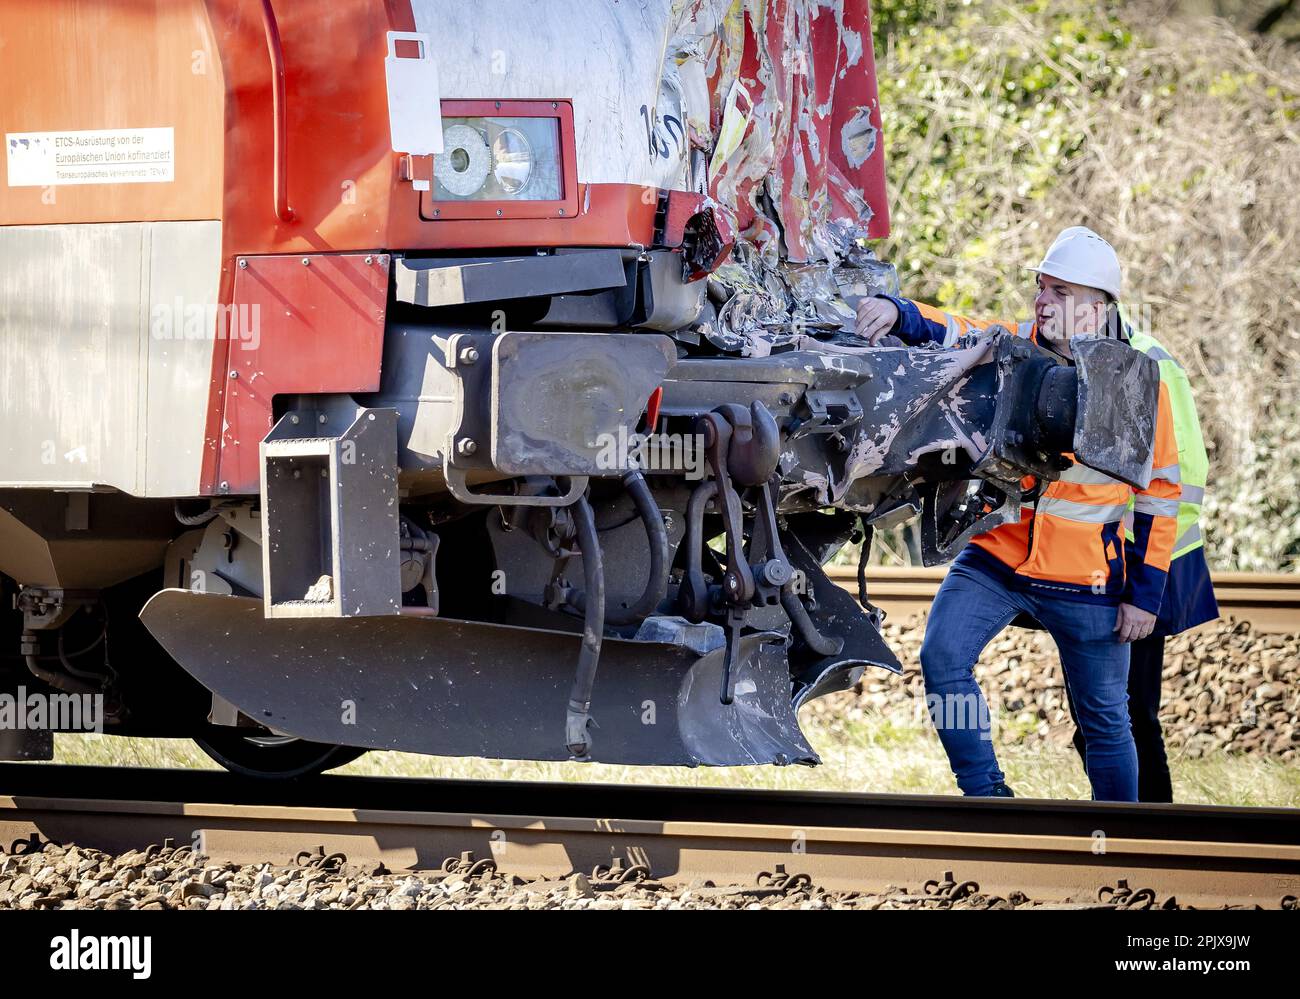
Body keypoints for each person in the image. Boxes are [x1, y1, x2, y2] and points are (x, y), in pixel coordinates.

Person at [855, 226, 1181, 802]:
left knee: (1107, 720)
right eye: (1040, 288)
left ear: (1095, 307)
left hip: (1088, 580)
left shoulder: (1132, 382)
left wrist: (1145, 593)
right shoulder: (1012, 346)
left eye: (1058, 291)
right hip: (998, 557)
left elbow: (1159, 492)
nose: (1042, 301)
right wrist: (897, 310)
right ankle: (985, 798)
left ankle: (1126, 839)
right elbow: (952, 328)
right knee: (941, 657)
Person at [1065, 332, 1218, 802]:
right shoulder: (1081, 347)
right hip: (1111, 556)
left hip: (1140, 559)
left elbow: (1179, 476)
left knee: (1128, 718)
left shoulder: (1141, 357)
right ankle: (1125, 826)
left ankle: (1147, 838)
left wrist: (1141, 570)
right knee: (1104, 718)